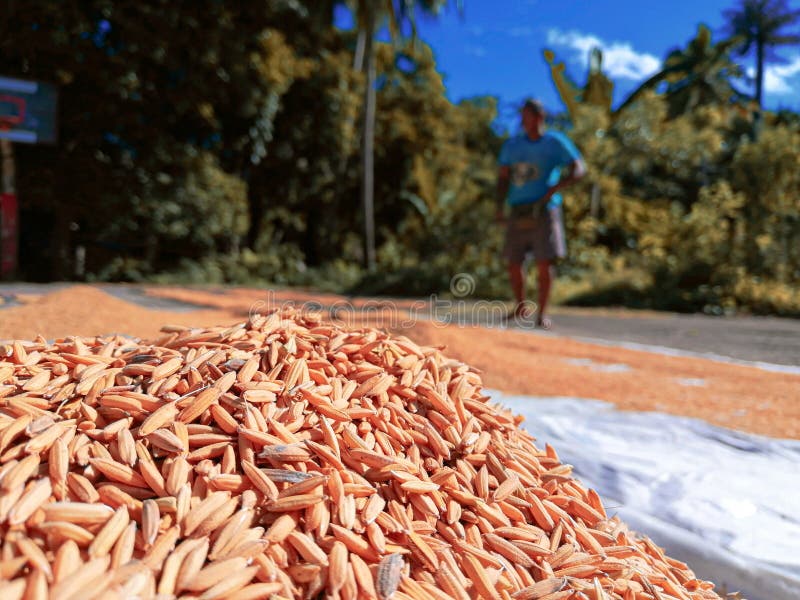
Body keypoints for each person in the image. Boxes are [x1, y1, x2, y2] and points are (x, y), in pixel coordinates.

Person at [496, 99, 586, 329]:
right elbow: (503, 177)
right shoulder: (512, 145)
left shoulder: (555, 142)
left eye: (528, 116)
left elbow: (579, 168)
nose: (524, 121)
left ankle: (542, 314)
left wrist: (557, 186)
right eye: (522, 116)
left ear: (539, 117)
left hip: (544, 210)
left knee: (544, 262)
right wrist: (499, 206)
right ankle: (520, 306)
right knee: (514, 262)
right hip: (518, 209)